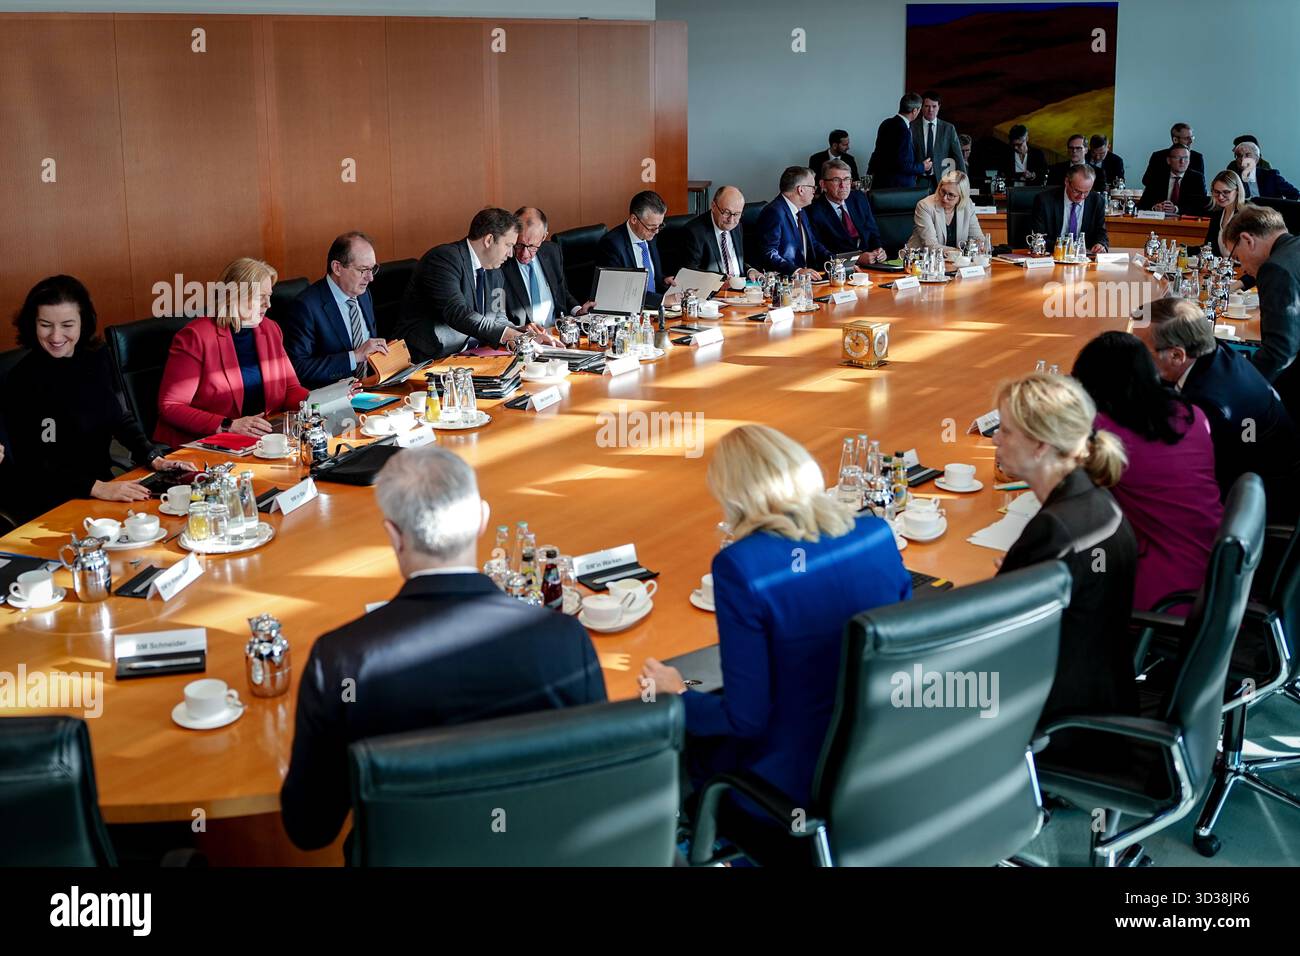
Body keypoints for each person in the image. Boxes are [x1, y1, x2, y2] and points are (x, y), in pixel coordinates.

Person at [281, 445, 606, 851]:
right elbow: (596, 785)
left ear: (392, 535)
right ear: (482, 519)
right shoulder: (565, 640)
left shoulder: (341, 659)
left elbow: (310, 829)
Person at [639, 424, 910, 830]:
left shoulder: (741, 566)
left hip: (793, 787)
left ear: (733, 498)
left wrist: (677, 693)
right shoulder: (875, 534)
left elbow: (745, 721)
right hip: (889, 759)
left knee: (673, 726)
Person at [991, 373, 1138, 726]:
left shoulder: (1054, 529)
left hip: (1055, 714)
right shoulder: (1097, 500)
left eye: (1006, 431)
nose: (996, 438)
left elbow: (999, 632)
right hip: (1103, 694)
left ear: (1041, 446)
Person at [1, 276, 195, 526]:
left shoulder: (97, 357)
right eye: (45, 325)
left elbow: (118, 415)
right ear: (33, 324)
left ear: (83, 322)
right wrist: (97, 488)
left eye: (67, 324)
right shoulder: (24, 380)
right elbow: (39, 462)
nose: (56, 335)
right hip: (53, 501)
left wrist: (152, 456)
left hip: (105, 487)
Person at [1071, 331, 1222, 612]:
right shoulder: (1190, 414)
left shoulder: (1107, 436)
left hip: (1163, 592)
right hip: (1213, 573)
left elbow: (1069, 501)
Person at [1131, 296, 1300, 523]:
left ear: (1177, 355)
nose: (1134, 359)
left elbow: (1181, 475)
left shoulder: (1208, 406)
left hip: (1257, 506)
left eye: (1142, 352)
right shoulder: (1211, 350)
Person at [156, 257, 310, 446]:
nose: (268, 304)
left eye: (269, 296)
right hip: (203, 444)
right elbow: (171, 406)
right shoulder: (195, 337)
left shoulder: (269, 329)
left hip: (256, 441)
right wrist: (229, 425)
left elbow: (291, 390)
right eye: (260, 297)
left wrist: (322, 402)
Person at [396, 208, 547, 362]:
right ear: (488, 240)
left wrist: (523, 334)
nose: (510, 254)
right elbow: (458, 312)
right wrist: (509, 335)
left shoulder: (495, 271)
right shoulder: (443, 259)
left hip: (471, 357)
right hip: (429, 360)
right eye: (508, 245)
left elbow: (498, 317)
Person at [281, 231, 387, 389]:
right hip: (331, 398)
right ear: (337, 268)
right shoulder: (306, 306)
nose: (370, 278)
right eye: (363, 270)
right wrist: (355, 357)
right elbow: (298, 368)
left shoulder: (364, 295)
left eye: (372, 269)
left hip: (370, 389)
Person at [1224, 205, 1300, 416]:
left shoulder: (1275, 268)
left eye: (1238, 258)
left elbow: (1280, 351)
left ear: (1248, 240)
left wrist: (1235, 388)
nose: (1243, 270)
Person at [502, 206, 593, 329]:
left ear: (543, 237)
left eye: (532, 246)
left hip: (556, 331)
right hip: (523, 338)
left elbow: (562, 292)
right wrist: (517, 331)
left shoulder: (552, 252)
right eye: (519, 245)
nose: (524, 253)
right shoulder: (501, 263)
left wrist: (577, 311)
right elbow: (496, 318)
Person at [594, 190, 676, 308]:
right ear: (634, 219)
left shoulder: (650, 236)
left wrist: (663, 280)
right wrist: (662, 300)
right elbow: (620, 291)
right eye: (652, 227)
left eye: (660, 226)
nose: (656, 231)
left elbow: (650, 278)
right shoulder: (612, 245)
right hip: (629, 312)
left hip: (654, 310)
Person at [754, 166, 831, 275]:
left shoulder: (801, 211)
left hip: (807, 277)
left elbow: (813, 243)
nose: (815, 191)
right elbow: (769, 253)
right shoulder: (774, 212)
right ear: (801, 189)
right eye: (813, 187)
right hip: (785, 280)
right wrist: (797, 271)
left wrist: (835, 260)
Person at [806, 160, 887, 264]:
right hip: (838, 269)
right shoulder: (813, 211)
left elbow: (872, 232)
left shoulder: (859, 198)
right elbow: (819, 251)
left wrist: (878, 250)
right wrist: (856, 259)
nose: (843, 185)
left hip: (870, 264)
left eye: (847, 179)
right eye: (836, 180)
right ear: (823, 184)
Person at [672, 185, 749, 279]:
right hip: (714, 290)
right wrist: (722, 279)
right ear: (713, 206)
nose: (731, 220)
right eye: (726, 212)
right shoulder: (694, 232)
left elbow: (736, 261)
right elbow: (690, 272)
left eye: (737, 214)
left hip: (740, 288)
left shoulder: (737, 226)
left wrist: (750, 270)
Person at [1029, 165, 1109, 252]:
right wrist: (1066, 248)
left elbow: (1101, 232)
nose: (1081, 197)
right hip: (1053, 254)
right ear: (1067, 182)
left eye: (1086, 192)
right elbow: (1038, 236)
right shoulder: (1045, 200)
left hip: (1083, 257)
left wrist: (1100, 244)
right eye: (1077, 191)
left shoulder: (1097, 201)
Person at [906, 170, 984, 251]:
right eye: (942, 191)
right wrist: (962, 252)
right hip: (919, 260)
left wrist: (980, 245)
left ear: (961, 197)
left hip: (953, 261)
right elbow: (931, 246)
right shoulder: (925, 206)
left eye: (951, 195)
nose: (944, 198)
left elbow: (978, 238)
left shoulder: (967, 205)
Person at [867, 93, 931, 188]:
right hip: (898, 188)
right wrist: (922, 167)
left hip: (880, 183)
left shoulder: (886, 123)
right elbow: (902, 165)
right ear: (914, 111)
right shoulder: (903, 130)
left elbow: (878, 154)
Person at [911, 91, 966, 187]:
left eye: (934, 106)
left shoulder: (948, 128)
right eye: (927, 106)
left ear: (939, 107)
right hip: (918, 179)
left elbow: (958, 156)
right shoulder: (912, 127)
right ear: (921, 107)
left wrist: (964, 182)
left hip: (941, 180)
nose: (930, 110)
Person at [1138, 144, 1208, 215]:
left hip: (1185, 223)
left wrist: (1176, 209)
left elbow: (1201, 207)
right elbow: (1142, 205)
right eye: (1178, 157)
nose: (1182, 161)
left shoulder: (1197, 178)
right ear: (1168, 160)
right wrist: (1154, 208)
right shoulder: (1157, 177)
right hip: (1159, 221)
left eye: (1186, 158)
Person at [1141, 123, 1205, 188]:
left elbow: (1200, 185)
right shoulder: (1158, 156)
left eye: (1192, 138)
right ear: (1175, 140)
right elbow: (1146, 181)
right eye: (1187, 138)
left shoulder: (1197, 158)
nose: (1191, 141)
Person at [1231, 141, 1299, 201]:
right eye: (1239, 156)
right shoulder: (1233, 178)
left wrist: (1282, 210)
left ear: (1256, 158)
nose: (1243, 159)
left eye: (1247, 155)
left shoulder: (1271, 176)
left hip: (1270, 213)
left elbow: (1294, 194)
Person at [1204, 170, 1250, 257]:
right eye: (1217, 192)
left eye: (1226, 192)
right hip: (1221, 268)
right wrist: (1183, 249)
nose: (1220, 197)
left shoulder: (1246, 215)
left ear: (1237, 191)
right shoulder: (1217, 214)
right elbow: (1209, 247)